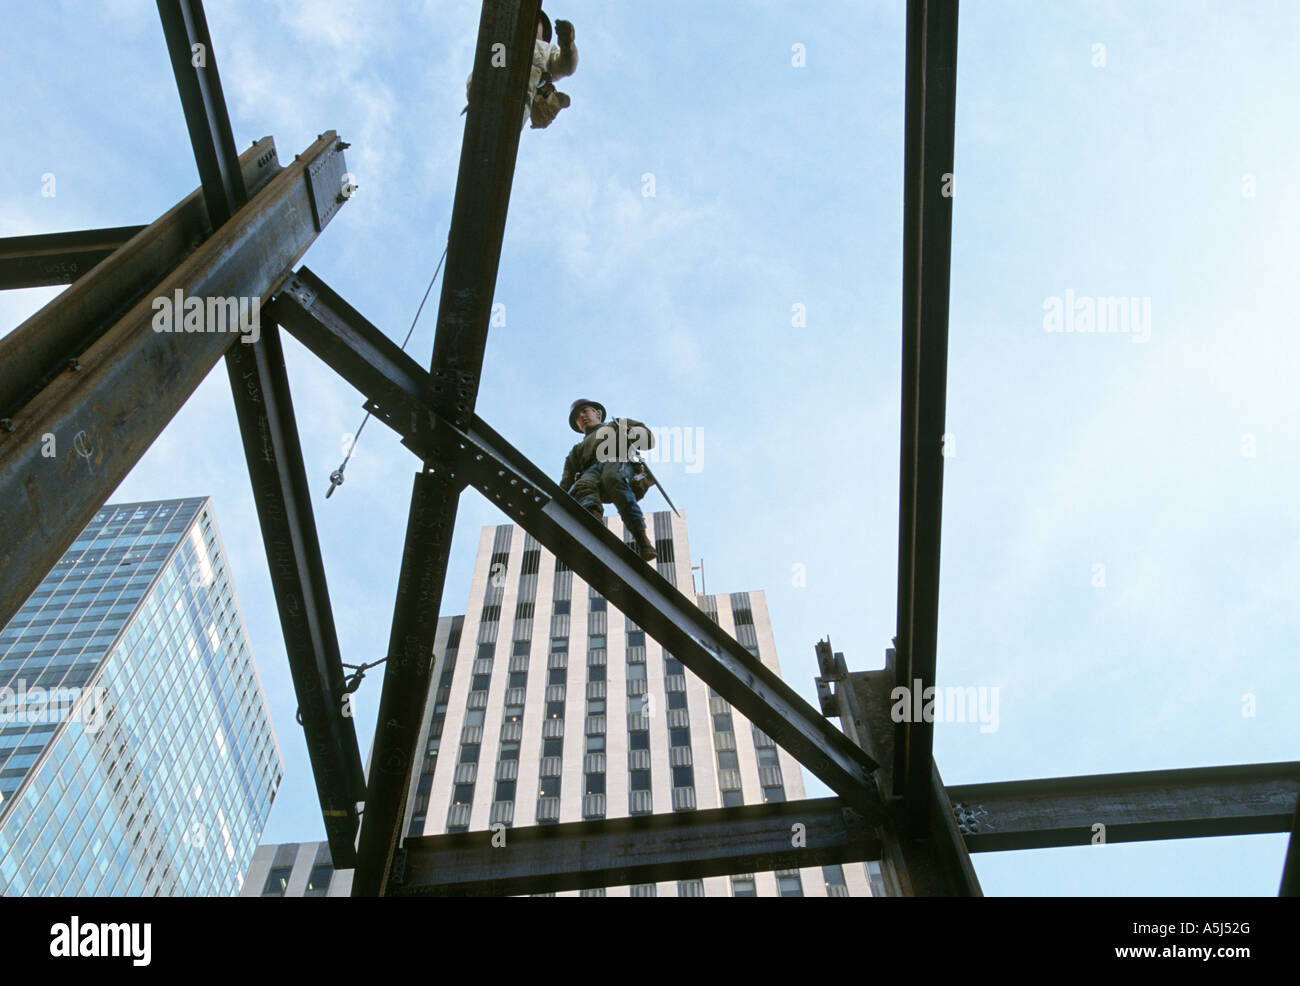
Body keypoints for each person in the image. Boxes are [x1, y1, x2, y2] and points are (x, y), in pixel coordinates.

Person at [560, 399, 658, 561]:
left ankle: (641, 538)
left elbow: (648, 440)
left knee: (612, 477)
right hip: (593, 473)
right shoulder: (577, 450)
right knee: (583, 485)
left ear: (597, 413)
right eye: (577, 416)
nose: (582, 416)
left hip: (618, 463)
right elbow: (566, 482)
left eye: (585, 411)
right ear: (577, 425)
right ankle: (592, 521)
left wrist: (629, 434)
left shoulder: (615, 425)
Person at [464, 7, 577, 130]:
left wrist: (567, 44)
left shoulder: (546, 49)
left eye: (537, 22)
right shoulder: (503, 35)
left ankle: (504, 129)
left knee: (530, 80)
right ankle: (484, 101)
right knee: (499, 50)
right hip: (493, 76)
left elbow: (565, 67)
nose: (531, 22)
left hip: (520, 93)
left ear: (543, 32)